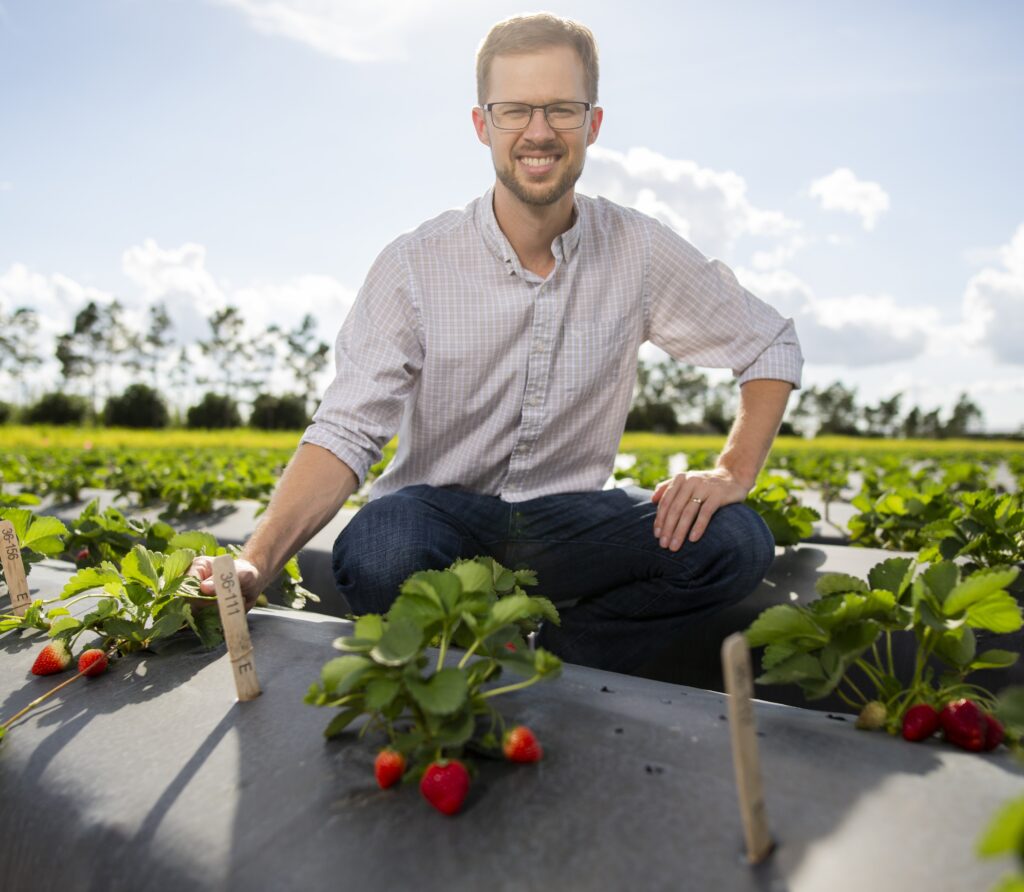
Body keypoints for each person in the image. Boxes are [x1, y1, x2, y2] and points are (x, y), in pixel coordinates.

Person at [191, 13, 803, 676]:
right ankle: (467, 676)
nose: (539, 132)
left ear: (593, 123)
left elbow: (769, 341)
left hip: (571, 523)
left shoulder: (640, 250)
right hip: (439, 519)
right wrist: (255, 562)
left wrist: (733, 471)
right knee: (379, 547)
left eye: (562, 109)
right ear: (483, 125)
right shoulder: (415, 264)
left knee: (734, 541)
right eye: (514, 111)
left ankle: (568, 667)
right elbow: (346, 430)